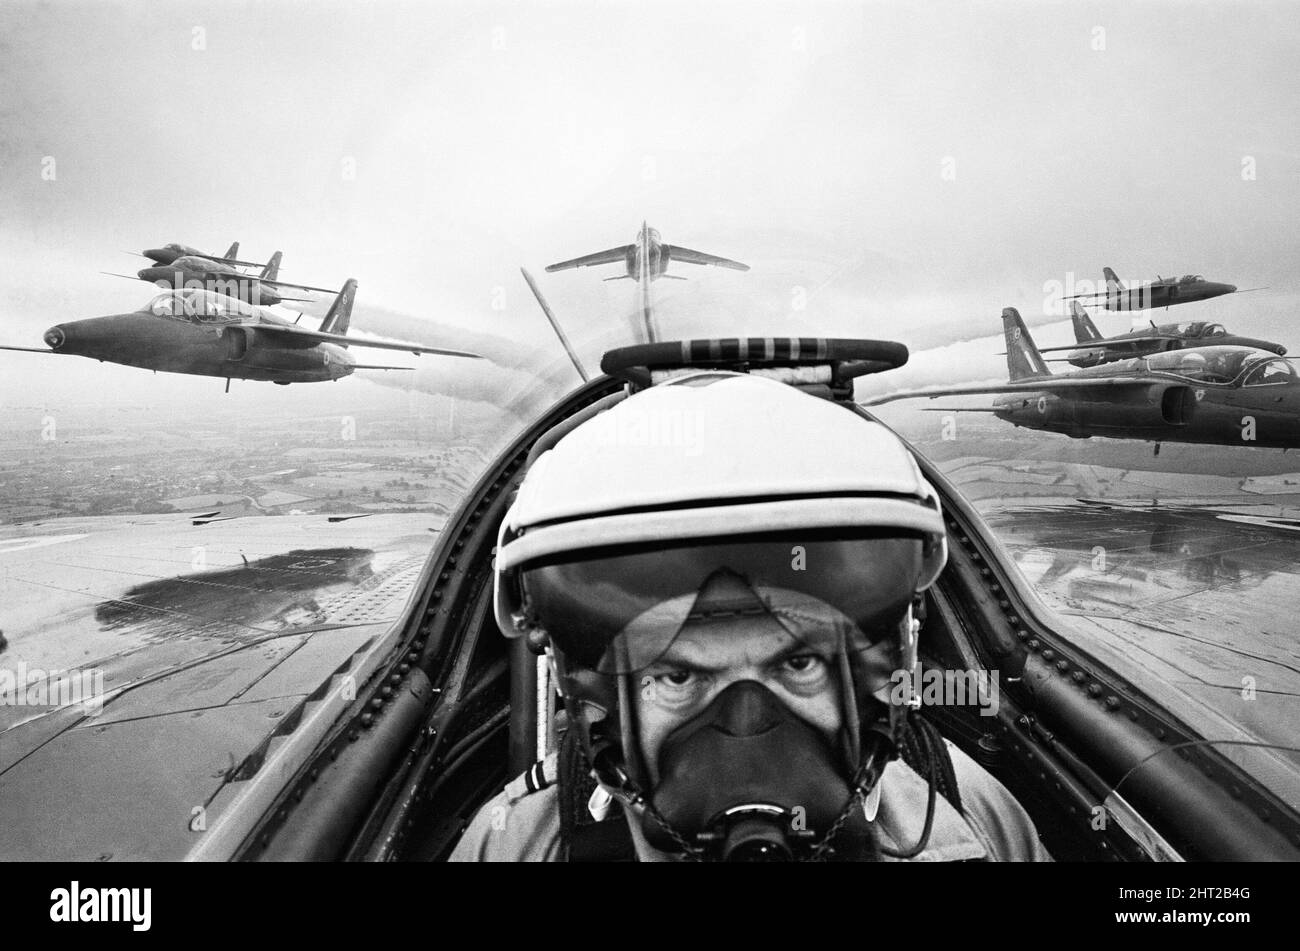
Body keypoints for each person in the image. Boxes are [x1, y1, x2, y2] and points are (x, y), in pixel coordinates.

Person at [452, 369, 1051, 862]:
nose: (745, 724)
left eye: (797, 662)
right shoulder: (515, 845)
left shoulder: (968, 823)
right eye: (679, 677)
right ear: (594, 697)